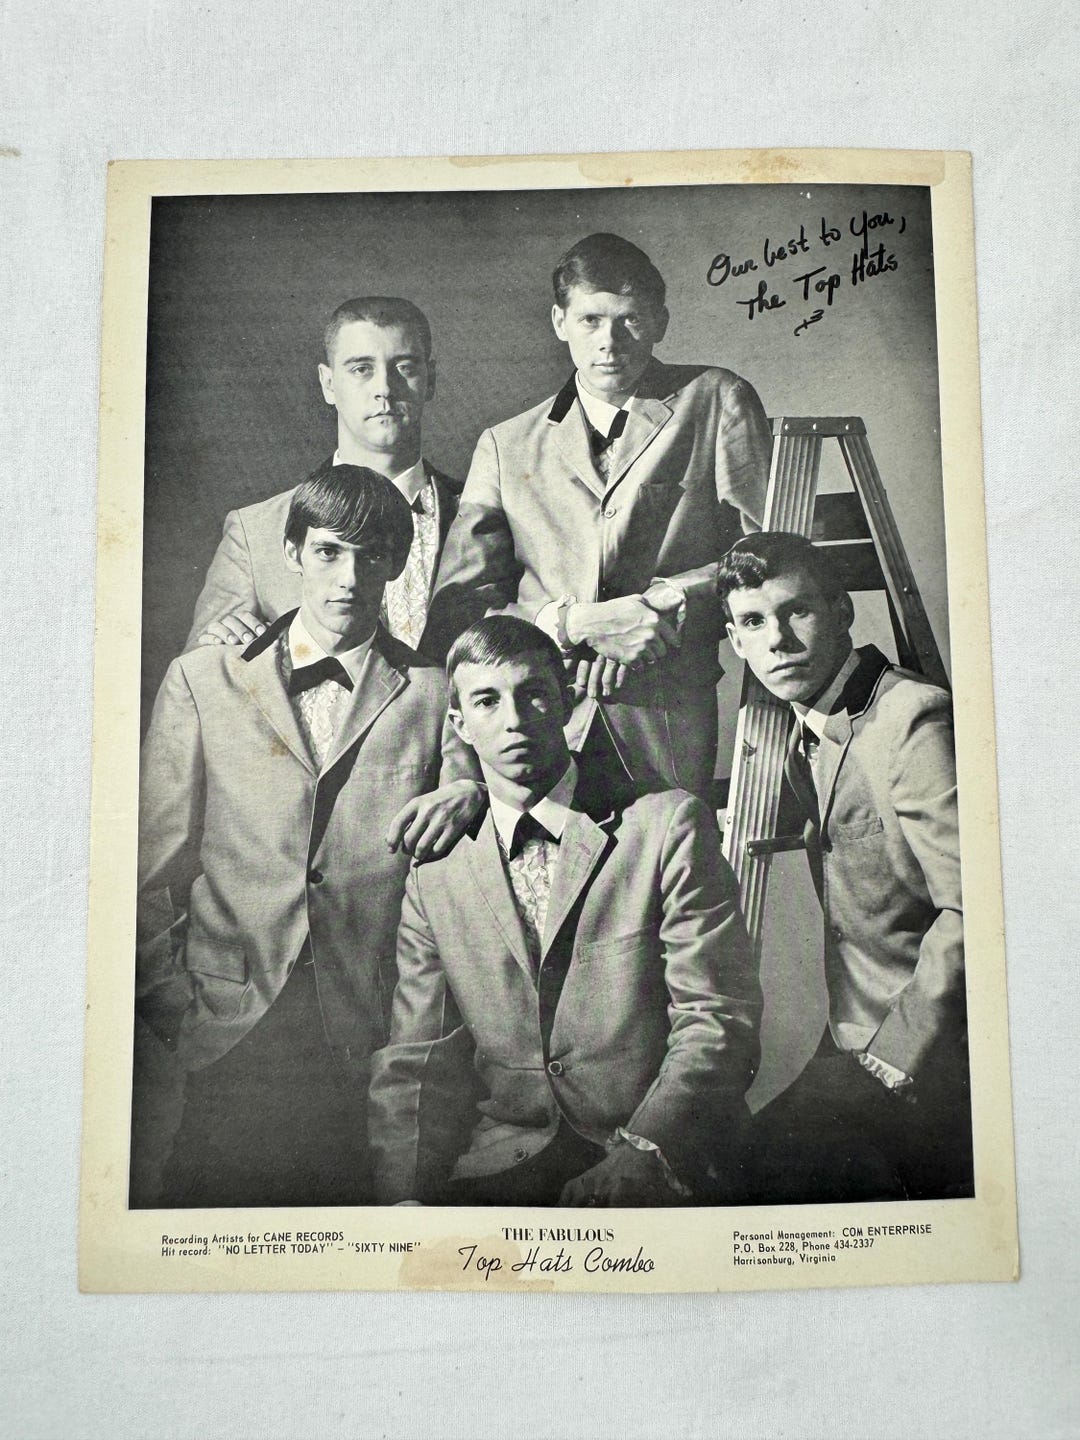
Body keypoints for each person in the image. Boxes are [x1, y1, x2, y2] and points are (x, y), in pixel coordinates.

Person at [135, 467, 482, 1207]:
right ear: (292, 552)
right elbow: (146, 871)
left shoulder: (435, 693)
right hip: (226, 1028)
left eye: (371, 556)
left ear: (395, 565)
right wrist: (174, 1006)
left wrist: (471, 788)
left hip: (368, 1034)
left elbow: (470, 816)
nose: (348, 577)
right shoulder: (204, 679)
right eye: (328, 551)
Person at [368, 615, 761, 1207]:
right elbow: (414, 1061)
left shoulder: (666, 826)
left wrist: (643, 1150)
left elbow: (717, 1017)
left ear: (568, 701)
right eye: (487, 701)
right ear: (460, 724)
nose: (515, 720)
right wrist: (402, 1201)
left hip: (656, 1156)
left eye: (533, 695)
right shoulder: (436, 873)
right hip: (501, 1164)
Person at [424, 232, 772, 797]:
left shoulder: (716, 398)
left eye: (629, 320)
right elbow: (459, 609)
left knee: (667, 871)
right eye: (590, 321)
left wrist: (666, 602)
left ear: (660, 321)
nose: (609, 342)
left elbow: (773, 557)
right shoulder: (503, 445)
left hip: (666, 709)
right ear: (559, 321)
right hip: (538, 719)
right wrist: (568, 625)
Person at [717, 532, 972, 1203]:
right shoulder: (799, 726)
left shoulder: (913, 720)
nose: (777, 640)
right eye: (753, 622)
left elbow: (974, 911)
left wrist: (894, 1057)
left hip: (930, 1053)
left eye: (796, 612)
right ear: (736, 640)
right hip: (843, 1037)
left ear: (842, 610)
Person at [186, 296, 459, 656]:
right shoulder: (255, 533)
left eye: (405, 367)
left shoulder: (482, 516)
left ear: (431, 379)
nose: (385, 389)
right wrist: (215, 648)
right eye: (361, 368)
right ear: (328, 383)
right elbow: (197, 685)